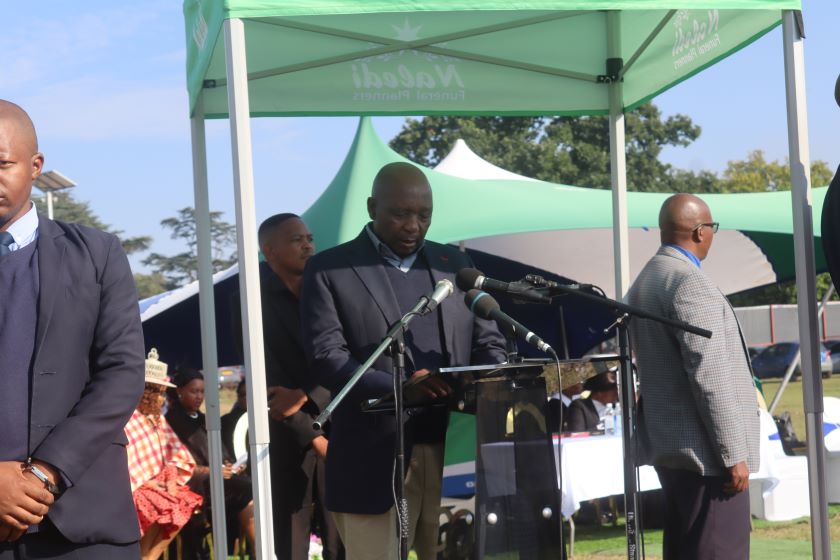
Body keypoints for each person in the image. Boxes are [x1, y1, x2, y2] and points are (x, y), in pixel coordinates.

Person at [301, 162, 507, 560]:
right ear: (371, 207)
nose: (413, 225)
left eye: (424, 215)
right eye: (401, 213)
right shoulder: (330, 270)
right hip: (373, 455)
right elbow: (328, 357)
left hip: (453, 449)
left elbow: (489, 342)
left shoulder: (455, 266)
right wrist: (398, 388)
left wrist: (487, 375)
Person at [0, 99, 145, 559]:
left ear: (36, 166)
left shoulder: (97, 254)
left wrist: (44, 472)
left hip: (81, 523)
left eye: (1, 164)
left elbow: (122, 374)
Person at [626, 193, 760, 560]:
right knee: (719, 550)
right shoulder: (688, 283)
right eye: (712, 227)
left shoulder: (647, 279)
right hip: (707, 458)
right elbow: (710, 376)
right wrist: (733, 453)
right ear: (701, 232)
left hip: (673, 449)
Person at [233, 213, 342, 560]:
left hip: (339, 426)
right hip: (284, 438)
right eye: (297, 239)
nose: (309, 244)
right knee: (288, 542)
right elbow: (268, 387)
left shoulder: (329, 291)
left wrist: (310, 395)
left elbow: (342, 360)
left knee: (343, 540)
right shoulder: (252, 302)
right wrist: (314, 436)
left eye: (310, 237)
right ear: (270, 249)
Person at [165, 369, 255, 558]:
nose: (199, 396)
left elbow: (220, 451)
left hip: (218, 479)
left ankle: (255, 550)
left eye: (202, 392)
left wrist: (229, 464)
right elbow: (176, 463)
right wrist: (210, 471)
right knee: (248, 489)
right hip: (194, 483)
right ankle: (257, 549)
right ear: (180, 391)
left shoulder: (205, 419)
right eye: (194, 391)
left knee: (251, 487)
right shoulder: (172, 421)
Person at [125, 352, 203, 560]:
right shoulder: (128, 418)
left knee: (182, 502)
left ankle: (149, 556)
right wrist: (148, 484)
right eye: (157, 392)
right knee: (161, 505)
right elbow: (126, 461)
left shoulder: (157, 419)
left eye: (162, 393)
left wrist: (169, 474)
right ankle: (143, 556)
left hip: (157, 484)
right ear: (146, 392)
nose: (161, 398)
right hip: (132, 489)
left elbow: (173, 452)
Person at [220, 380, 247, 464]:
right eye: (242, 395)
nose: (246, 398)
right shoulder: (226, 421)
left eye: (251, 393)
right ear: (238, 397)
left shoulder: (271, 418)